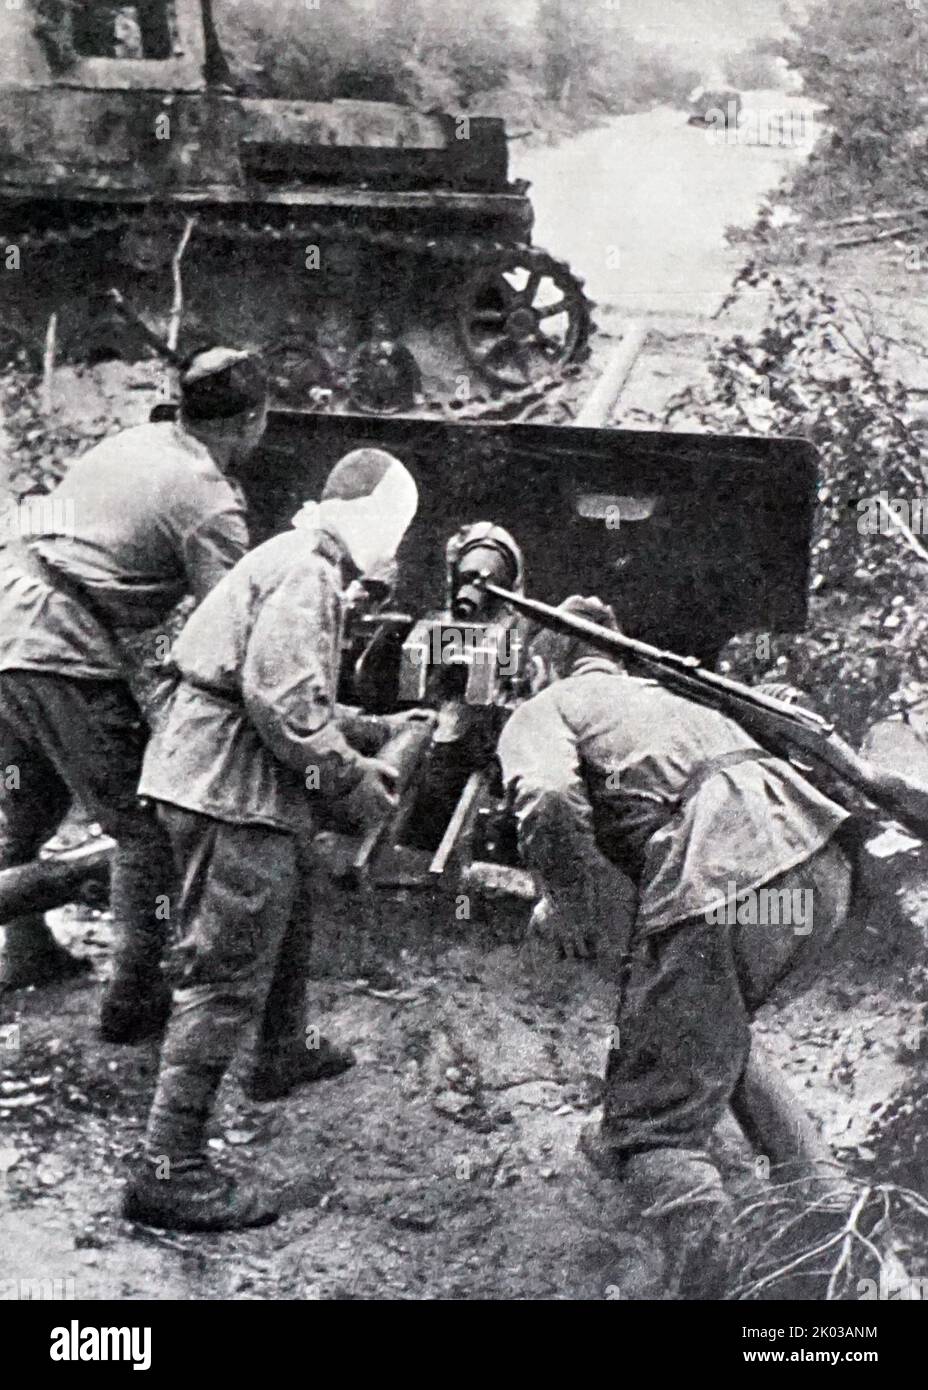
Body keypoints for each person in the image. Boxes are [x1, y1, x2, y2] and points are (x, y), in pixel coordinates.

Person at [496, 596, 854, 1295]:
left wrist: (569, 904)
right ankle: (830, 1223)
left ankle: (709, 1278)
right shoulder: (677, 697)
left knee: (653, 1130)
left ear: (544, 659)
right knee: (709, 1030)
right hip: (818, 876)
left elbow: (543, 797)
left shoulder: (550, 706)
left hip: (728, 883)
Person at [123, 448, 422, 1232]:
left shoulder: (298, 559)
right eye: (395, 530)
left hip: (219, 771)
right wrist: (355, 783)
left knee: (286, 911)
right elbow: (283, 710)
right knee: (223, 971)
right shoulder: (310, 574)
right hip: (230, 787)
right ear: (366, 521)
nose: (395, 549)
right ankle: (169, 1167)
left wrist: (377, 728)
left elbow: (295, 695)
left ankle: (280, 1050)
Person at [0, 348, 267, 1050]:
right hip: (57, 641)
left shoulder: (137, 440)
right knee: (142, 827)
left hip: (7, 603)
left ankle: (23, 949)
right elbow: (233, 626)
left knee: (29, 801)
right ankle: (132, 1001)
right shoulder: (210, 502)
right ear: (252, 420)